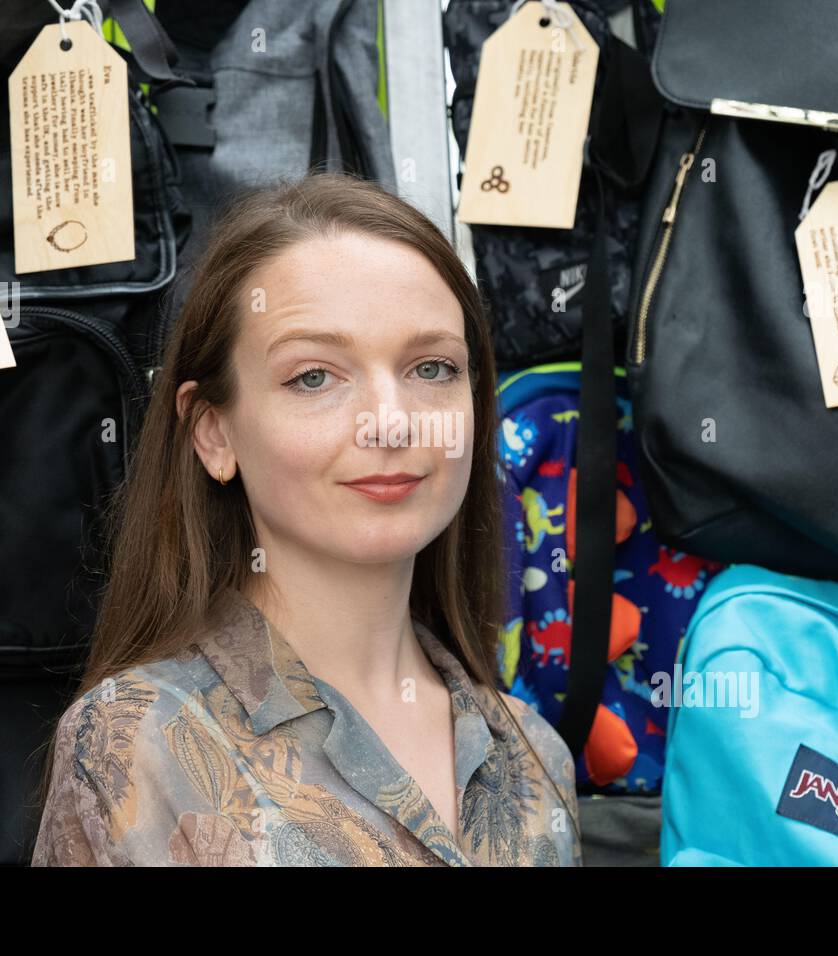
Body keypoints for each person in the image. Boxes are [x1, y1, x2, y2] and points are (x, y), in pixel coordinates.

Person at [30, 171, 582, 866]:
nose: (390, 423)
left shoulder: (536, 756)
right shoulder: (138, 740)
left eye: (432, 369)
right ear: (213, 434)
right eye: (314, 377)